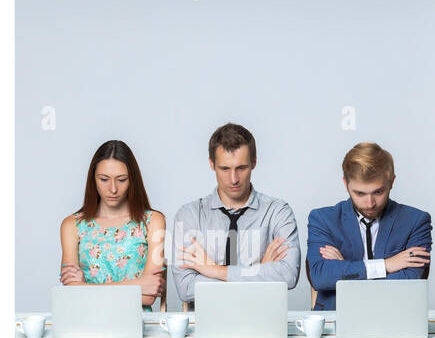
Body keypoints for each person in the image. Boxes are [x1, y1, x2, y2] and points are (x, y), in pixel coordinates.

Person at [170, 122, 301, 306]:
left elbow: (288, 275)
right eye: (225, 169)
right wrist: (259, 271)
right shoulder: (189, 215)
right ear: (211, 164)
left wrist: (215, 270)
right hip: (207, 323)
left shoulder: (278, 212)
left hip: (262, 320)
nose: (234, 179)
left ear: (254, 162)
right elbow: (186, 288)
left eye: (241, 168)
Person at [306, 142, 432, 311]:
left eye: (379, 192)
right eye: (359, 193)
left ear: (392, 181)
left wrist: (345, 270)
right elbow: (321, 277)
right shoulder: (323, 219)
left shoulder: (416, 221)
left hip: (394, 317)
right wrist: (385, 265)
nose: (370, 203)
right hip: (335, 321)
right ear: (345, 183)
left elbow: (407, 284)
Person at [58, 140, 166, 310]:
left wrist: (84, 287)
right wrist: (137, 285)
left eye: (122, 180)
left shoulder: (153, 221)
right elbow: (71, 293)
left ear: (133, 179)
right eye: (104, 179)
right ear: (93, 179)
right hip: (86, 320)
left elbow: (148, 296)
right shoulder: (72, 225)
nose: (113, 189)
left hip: (137, 323)